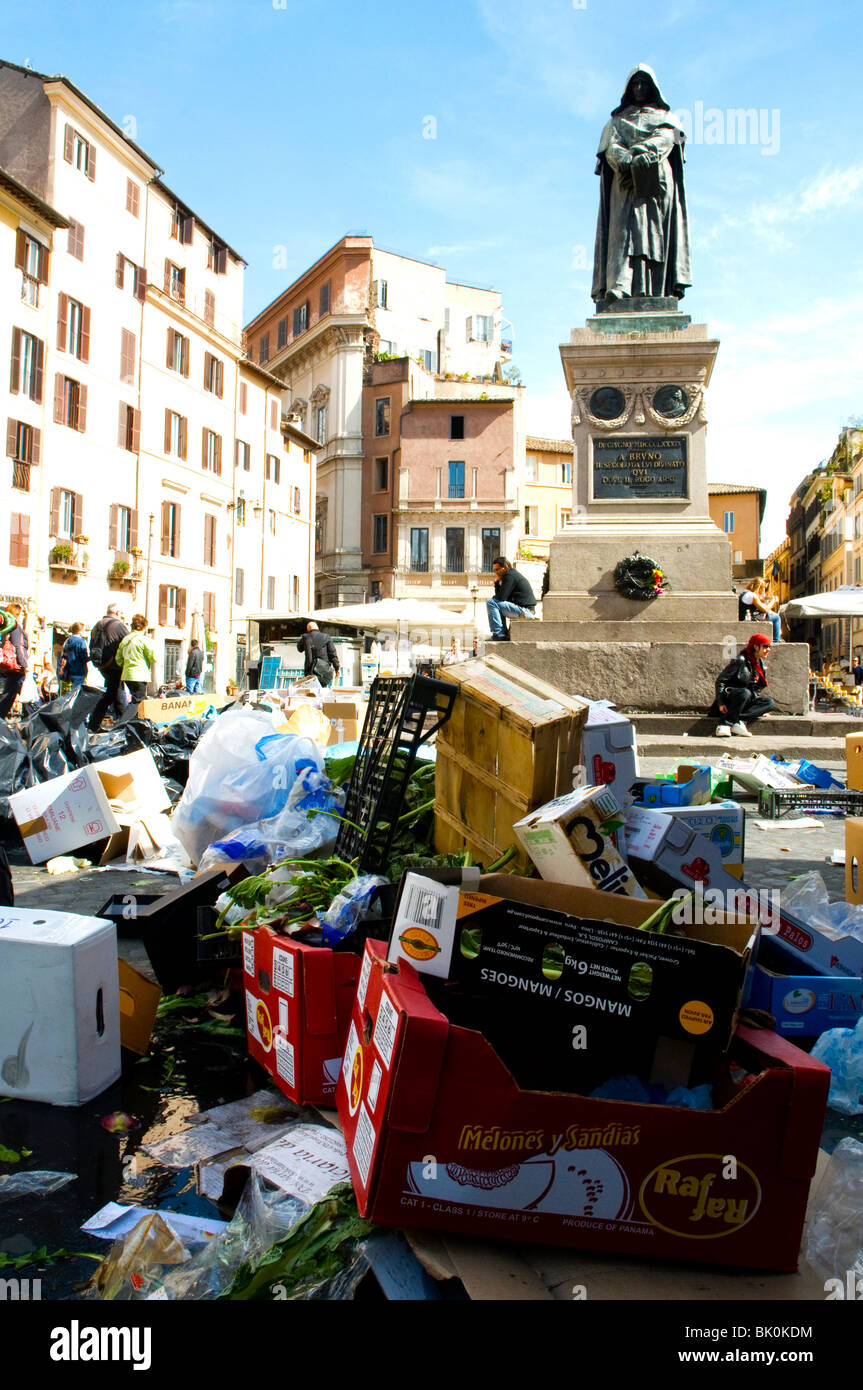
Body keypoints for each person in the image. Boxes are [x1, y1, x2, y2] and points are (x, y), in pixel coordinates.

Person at [592, 65, 691, 304]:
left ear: (653, 88)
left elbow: (670, 137)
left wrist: (642, 151)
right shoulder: (615, 122)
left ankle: (658, 289)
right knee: (622, 233)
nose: (639, 88)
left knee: (654, 234)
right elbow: (610, 147)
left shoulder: (669, 119)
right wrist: (624, 158)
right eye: (634, 83)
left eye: (643, 83)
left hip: (656, 185)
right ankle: (620, 284)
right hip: (624, 182)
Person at [710, 634, 775, 738]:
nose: (768, 649)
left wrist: (758, 710)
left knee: (769, 703)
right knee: (745, 692)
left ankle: (738, 720)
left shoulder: (760, 664)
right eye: (765, 646)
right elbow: (721, 681)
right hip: (731, 700)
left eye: (769, 647)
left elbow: (756, 689)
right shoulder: (740, 660)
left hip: (745, 701)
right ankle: (725, 724)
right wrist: (721, 703)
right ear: (755, 646)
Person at [89, 604, 129, 730]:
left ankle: (94, 723)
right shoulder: (117, 626)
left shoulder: (97, 625)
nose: (122, 616)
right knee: (116, 695)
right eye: (121, 613)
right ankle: (125, 724)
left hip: (102, 665)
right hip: (115, 665)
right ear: (117, 612)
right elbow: (129, 641)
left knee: (112, 694)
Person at [487, 557, 537, 641]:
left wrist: (496, 584)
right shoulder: (511, 575)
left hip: (525, 611)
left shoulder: (509, 575)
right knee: (494, 604)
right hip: (525, 610)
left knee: (491, 603)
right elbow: (501, 598)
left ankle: (499, 634)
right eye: (495, 570)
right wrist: (497, 584)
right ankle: (502, 633)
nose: (496, 572)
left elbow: (501, 597)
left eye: (498, 569)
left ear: (506, 566)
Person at [115, 614, 155, 706]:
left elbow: (118, 658)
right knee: (138, 701)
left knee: (135, 698)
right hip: (139, 674)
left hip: (127, 674)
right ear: (144, 627)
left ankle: (134, 719)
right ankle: (127, 719)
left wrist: (126, 666)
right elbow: (153, 657)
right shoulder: (144, 640)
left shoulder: (126, 639)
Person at [0, 603, 29, 720]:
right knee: (9, 697)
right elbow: (18, 647)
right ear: (17, 614)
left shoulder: (6, 627)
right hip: (16, 667)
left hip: (8, 666)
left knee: (8, 695)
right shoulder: (16, 627)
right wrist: (25, 665)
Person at [296, 621, 340, 687]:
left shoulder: (305, 637)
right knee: (323, 690)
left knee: (311, 691)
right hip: (324, 670)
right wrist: (337, 668)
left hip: (310, 670)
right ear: (318, 628)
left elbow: (299, 649)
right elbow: (332, 654)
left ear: (308, 629)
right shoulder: (326, 637)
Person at [738, 578, 782, 642]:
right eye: (762, 589)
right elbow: (765, 609)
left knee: (771, 614)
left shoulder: (745, 593)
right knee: (776, 617)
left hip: (744, 617)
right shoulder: (753, 596)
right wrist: (773, 601)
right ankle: (776, 641)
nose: (762, 592)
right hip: (749, 619)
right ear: (759, 588)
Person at [57, 622, 89, 693]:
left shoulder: (68, 641)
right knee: (77, 693)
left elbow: (64, 656)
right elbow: (83, 656)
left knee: (71, 692)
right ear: (80, 631)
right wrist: (91, 658)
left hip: (69, 670)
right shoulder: (81, 641)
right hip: (79, 670)